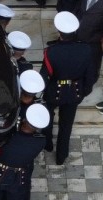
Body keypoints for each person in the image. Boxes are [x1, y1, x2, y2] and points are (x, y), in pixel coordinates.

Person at [40, 12, 97, 165]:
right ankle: (61, 156)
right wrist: (84, 91)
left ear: (59, 32)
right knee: (66, 126)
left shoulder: (51, 51)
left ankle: (47, 144)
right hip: (75, 91)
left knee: (47, 117)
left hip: (54, 91)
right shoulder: (86, 49)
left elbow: (44, 76)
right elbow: (90, 75)